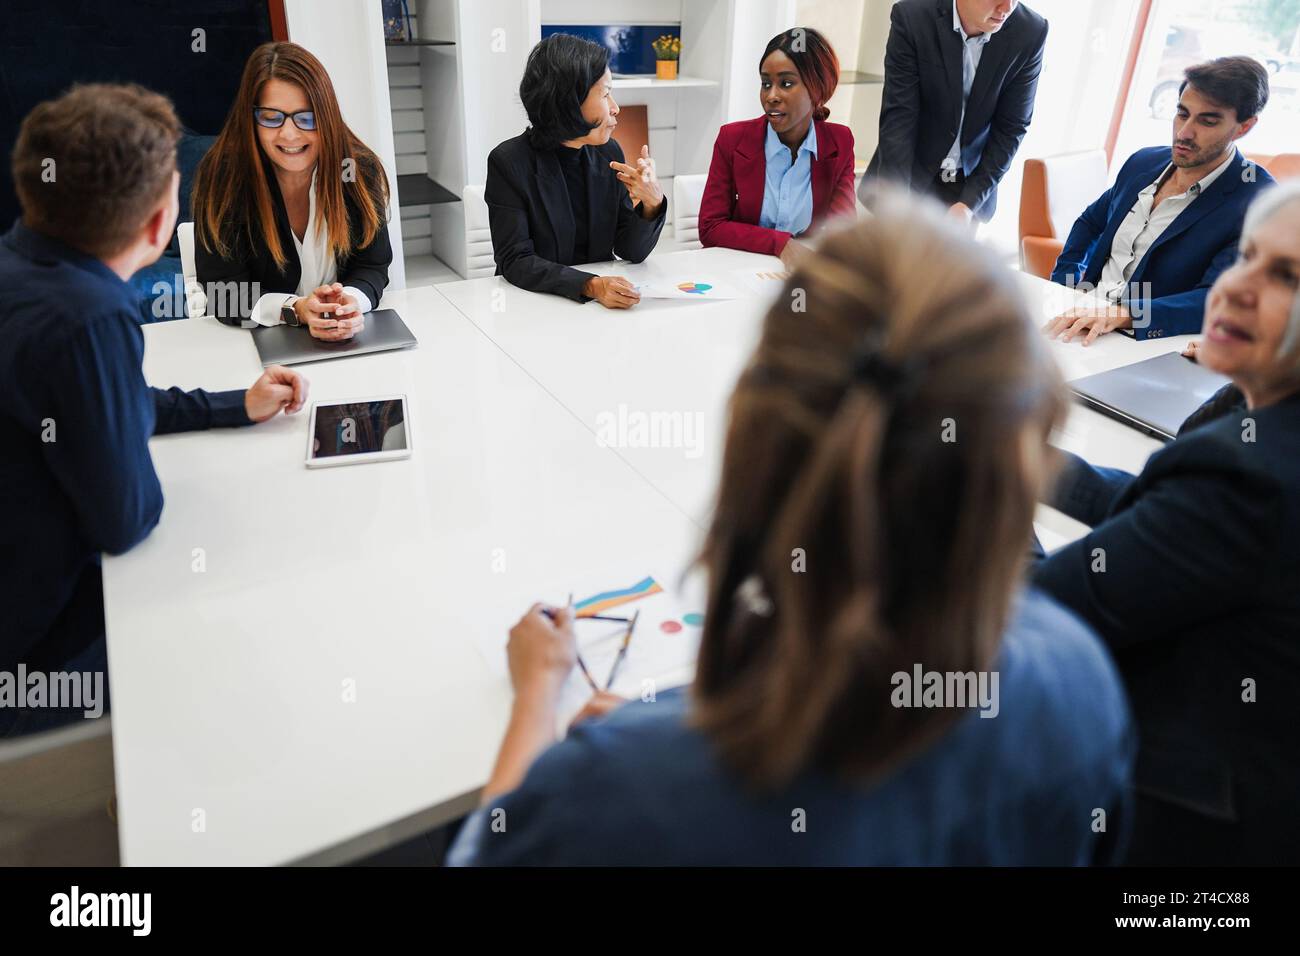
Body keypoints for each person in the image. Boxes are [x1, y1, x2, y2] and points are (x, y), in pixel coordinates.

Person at [447, 198, 1132, 866]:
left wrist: (542, 696)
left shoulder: (613, 797)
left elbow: (482, 850)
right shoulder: (1084, 684)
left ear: (750, 432)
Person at [0, 84, 307, 737]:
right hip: (34, 648)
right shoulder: (90, 317)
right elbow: (126, 518)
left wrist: (229, 405)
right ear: (157, 222)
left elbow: (94, 409)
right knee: (256, 611)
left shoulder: (19, 263)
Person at [1034, 182, 1300, 864]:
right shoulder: (1248, 419)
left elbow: (1047, 610)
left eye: (1286, 278)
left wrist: (961, 503)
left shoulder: (1253, 474)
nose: (1236, 287)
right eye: (1246, 256)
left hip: (1184, 826)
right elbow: (1165, 518)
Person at [1046, 57, 1274, 345]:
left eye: (1207, 121)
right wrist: (1064, 288)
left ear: (1244, 127)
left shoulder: (1259, 203)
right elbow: (1090, 222)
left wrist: (1126, 313)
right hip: (1079, 319)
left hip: (1144, 342)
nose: (1184, 132)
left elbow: (1216, 299)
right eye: (1182, 113)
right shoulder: (1143, 162)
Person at [193, 42, 392, 336]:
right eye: (272, 117)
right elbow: (224, 293)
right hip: (256, 345)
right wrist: (294, 310)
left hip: (345, 340)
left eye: (307, 117)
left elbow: (372, 266)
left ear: (327, 117)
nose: (289, 133)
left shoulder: (358, 170)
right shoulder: (223, 177)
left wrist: (352, 301)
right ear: (251, 119)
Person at [486, 33, 666, 308]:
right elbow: (515, 260)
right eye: (605, 94)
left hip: (600, 308)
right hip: (534, 306)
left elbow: (630, 250)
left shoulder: (609, 153)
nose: (616, 108)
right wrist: (590, 285)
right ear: (569, 100)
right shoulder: (509, 161)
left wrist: (651, 203)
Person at [858, 0, 1049, 225]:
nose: (1007, 7)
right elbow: (899, 118)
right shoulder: (913, 17)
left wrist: (969, 203)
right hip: (907, 174)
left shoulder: (1031, 32)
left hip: (969, 188)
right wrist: (896, 202)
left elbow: (1011, 127)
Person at [698, 28, 857, 265]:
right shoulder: (732, 138)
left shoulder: (839, 141)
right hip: (740, 266)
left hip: (802, 270)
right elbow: (711, 228)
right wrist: (780, 243)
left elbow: (843, 231)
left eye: (786, 83)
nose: (771, 96)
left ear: (817, 89)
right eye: (765, 83)